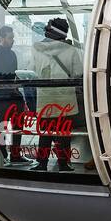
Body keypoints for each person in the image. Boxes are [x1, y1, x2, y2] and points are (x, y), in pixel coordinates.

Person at [32, 17, 84, 171]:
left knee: (45, 133)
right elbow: (77, 72)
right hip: (65, 97)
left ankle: (42, 163)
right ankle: (63, 163)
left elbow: (32, 70)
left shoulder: (37, 48)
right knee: (63, 133)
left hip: (45, 96)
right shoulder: (71, 50)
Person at [0, 24, 29, 167]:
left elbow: (10, 76)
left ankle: (11, 155)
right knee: (4, 127)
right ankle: (6, 155)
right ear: (1, 38)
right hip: (5, 97)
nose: (13, 40)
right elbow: (3, 77)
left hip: (7, 96)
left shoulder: (5, 54)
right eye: (10, 38)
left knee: (12, 126)